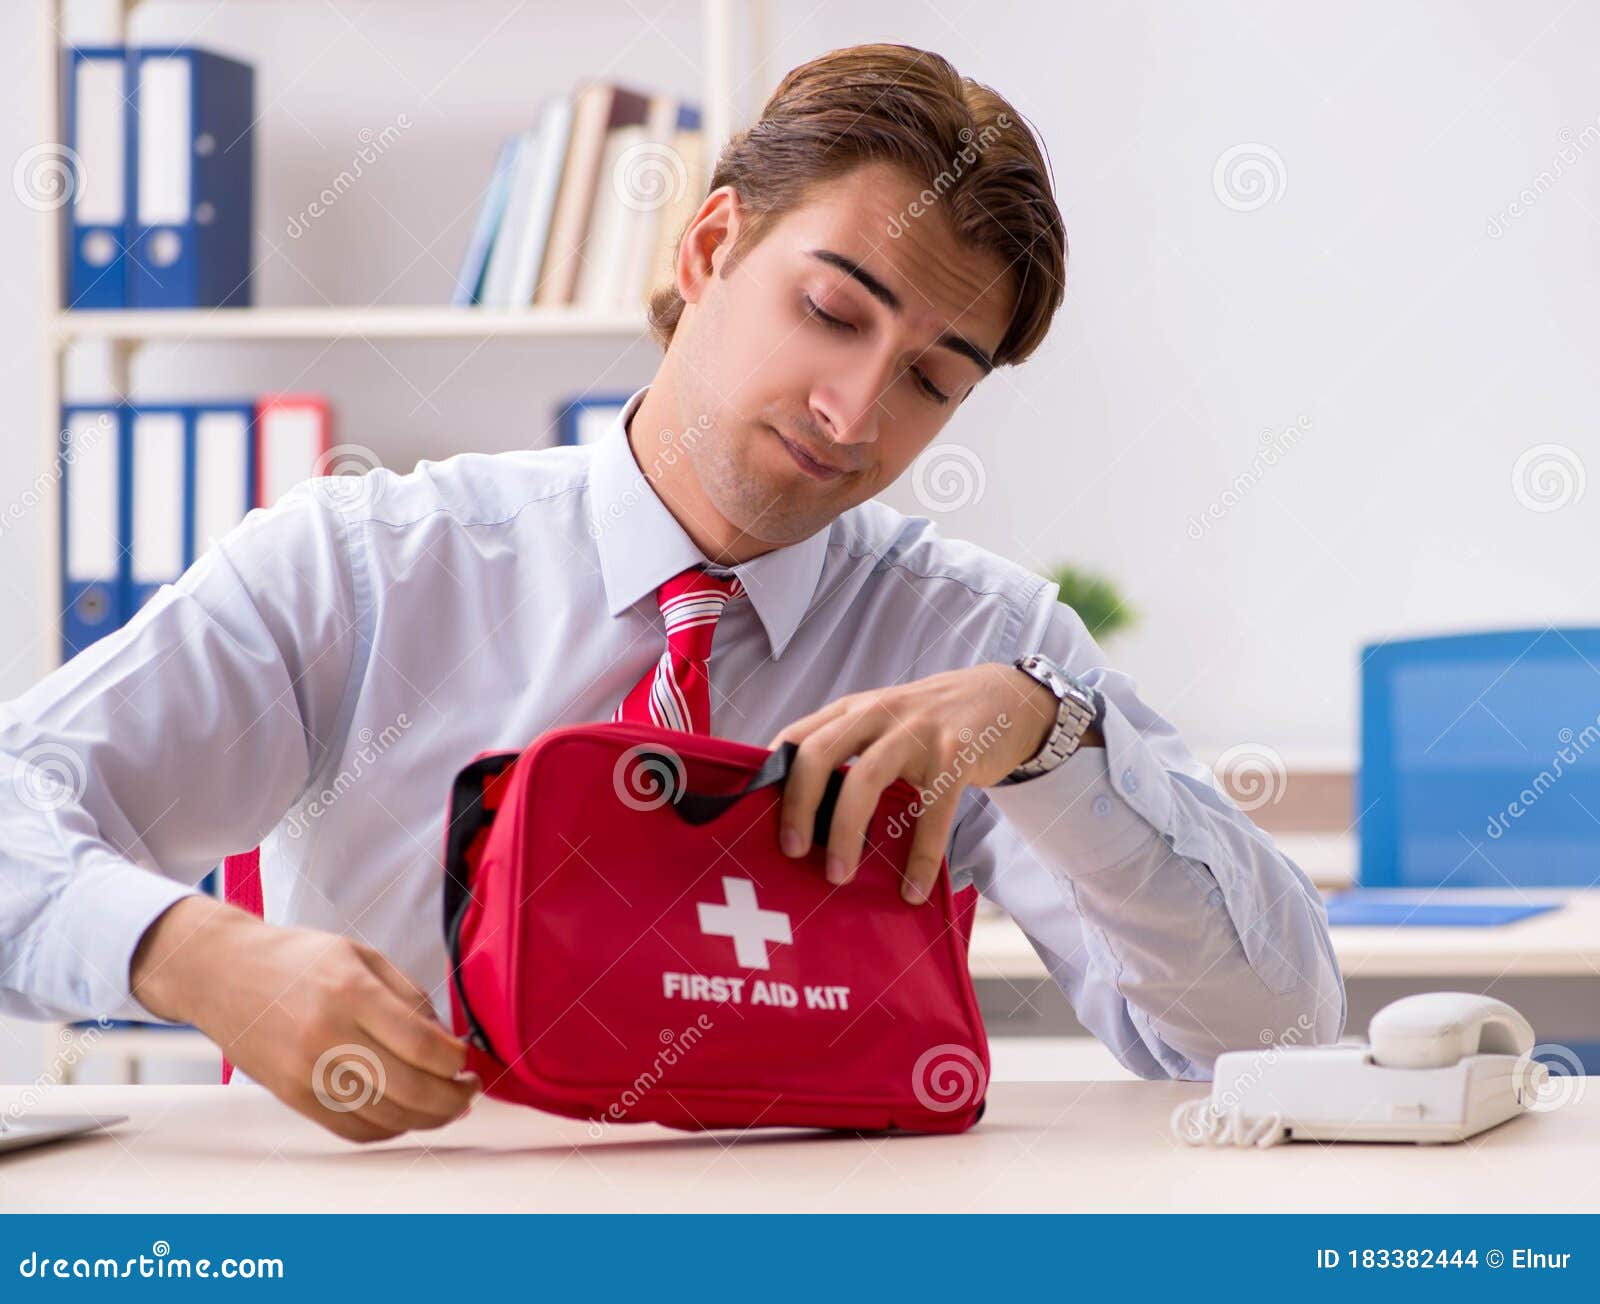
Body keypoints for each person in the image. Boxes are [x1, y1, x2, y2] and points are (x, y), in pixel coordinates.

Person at [0, 43, 1343, 1143]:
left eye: (932, 380)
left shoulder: (976, 648)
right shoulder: (368, 565)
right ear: (708, 250)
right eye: (832, 310)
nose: (855, 411)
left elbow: (1274, 1038)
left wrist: (1054, 750)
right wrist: (190, 956)